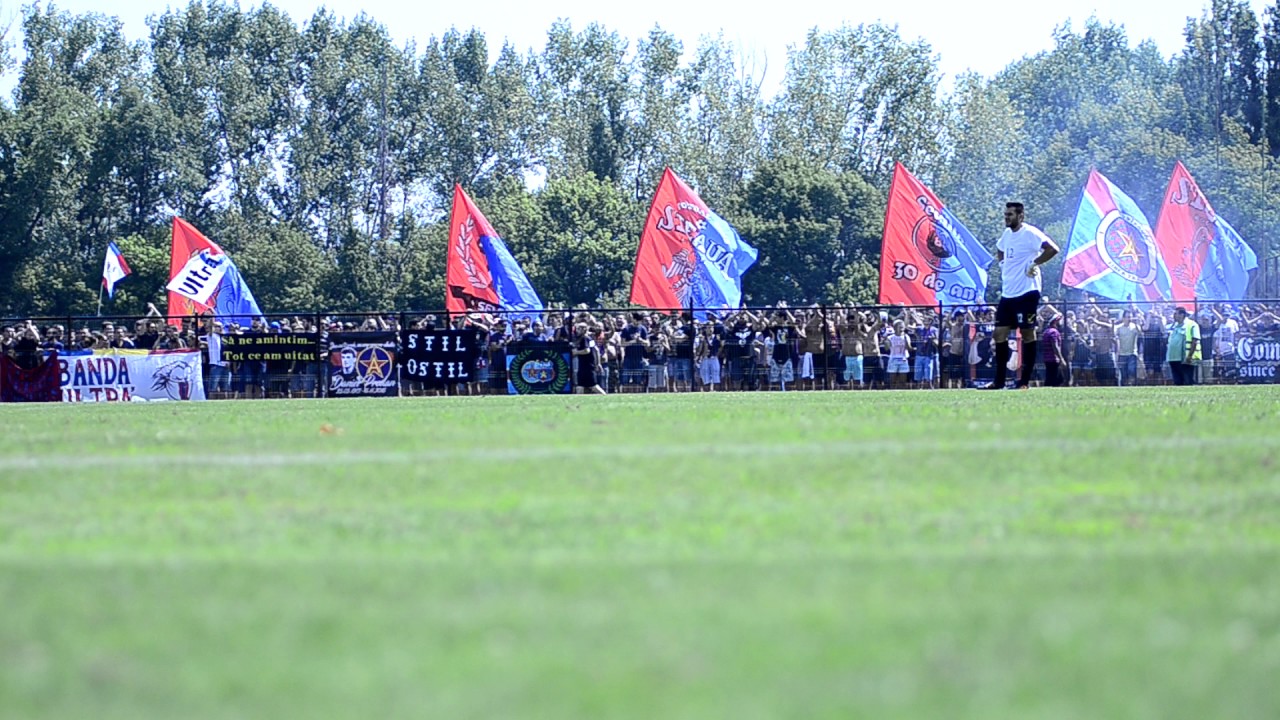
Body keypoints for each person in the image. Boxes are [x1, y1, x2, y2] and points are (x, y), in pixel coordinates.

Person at [987, 201, 1059, 390]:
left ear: (1021, 216)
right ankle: (999, 381)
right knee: (999, 333)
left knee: (1027, 333)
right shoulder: (1006, 235)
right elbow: (1000, 249)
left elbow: (1053, 249)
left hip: (1027, 292)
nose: (1007, 217)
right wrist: (1002, 264)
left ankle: (1024, 381)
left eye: (1010, 214)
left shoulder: (1030, 233)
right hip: (1008, 293)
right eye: (1006, 214)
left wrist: (1034, 263)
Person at [1166, 306, 1201, 386]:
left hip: (1185, 358)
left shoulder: (1192, 325)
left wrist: (1189, 356)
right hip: (1173, 357)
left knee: (1187, 380)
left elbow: (1194, 341)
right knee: (1177, 381)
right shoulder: (1173, 326)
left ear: (1182, 315)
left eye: (1176, 314)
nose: (1174, 316)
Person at [572, 324, 606, 395]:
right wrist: (598, 363)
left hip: (587, 366)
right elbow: (596, 350)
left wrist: (576, 352)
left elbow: (587, 350)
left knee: (593, 386)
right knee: (580, 386)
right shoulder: (590, 339)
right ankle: (578, 403)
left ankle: (605, 397)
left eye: (578, 329)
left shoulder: (585, 338)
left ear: (583, 329)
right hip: (585, 366)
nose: (577, 331)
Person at [1042, 315, 1067, 387]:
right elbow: (1055, 346)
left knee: (1052, 378)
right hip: (1053, 359)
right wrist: (1061, 359)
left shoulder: (1046, 332)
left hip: (1047, 358)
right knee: (1055, 379)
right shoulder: (1054, 332)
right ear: (1055, 322)